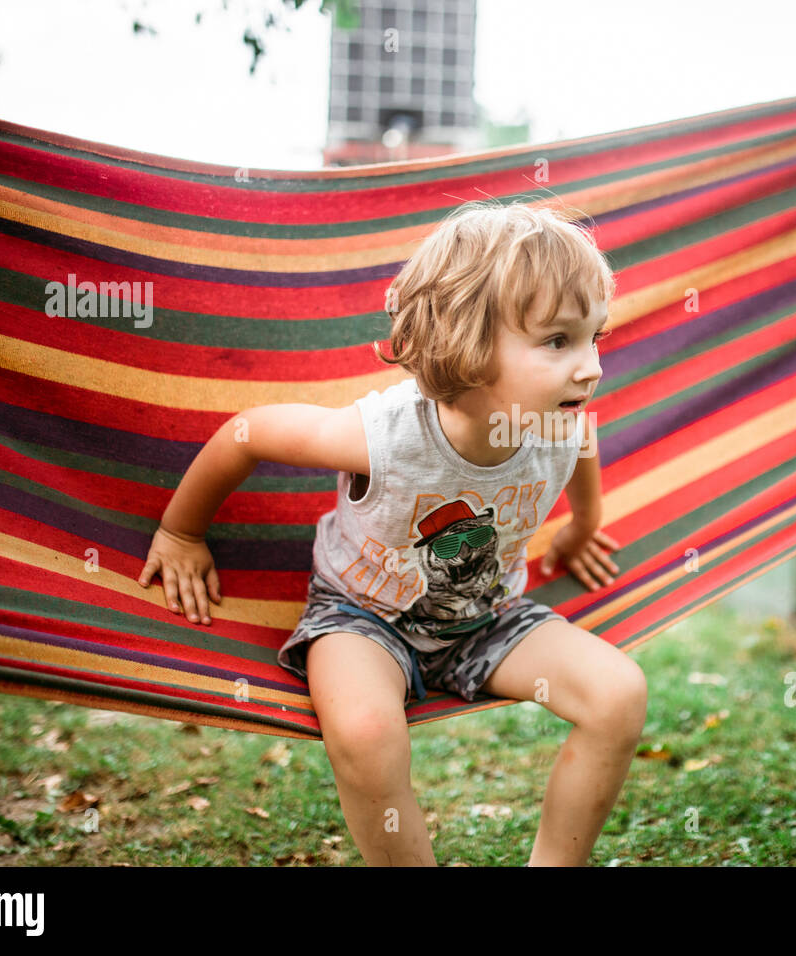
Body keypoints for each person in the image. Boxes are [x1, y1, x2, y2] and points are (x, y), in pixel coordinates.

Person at [136, 200, 647, 866]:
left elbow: (580, 449)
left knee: (619, 694)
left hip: (486, 620)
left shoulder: (558, 419)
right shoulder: (384, 437)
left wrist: (583, 527)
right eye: (558, 341)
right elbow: (250, 431)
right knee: (366, 728)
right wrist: (181, 532)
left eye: (594, 337)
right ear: (468, 342)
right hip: (360, 619)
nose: (590, 367)